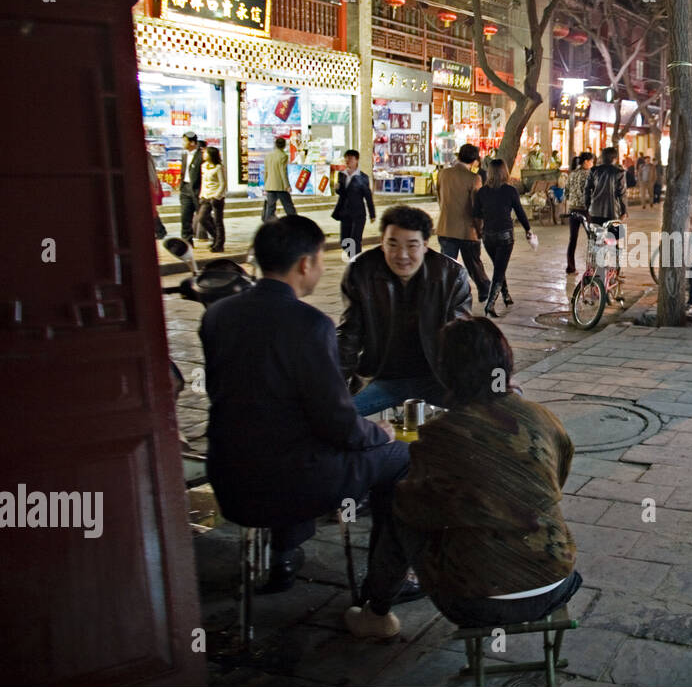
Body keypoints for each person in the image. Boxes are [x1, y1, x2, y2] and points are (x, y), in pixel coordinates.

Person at [200, 216, 412, 598]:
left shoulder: (218, 314)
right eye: (319, 259)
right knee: (400, 457)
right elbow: (337, 421)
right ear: (304, 264)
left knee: (275, 432)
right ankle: (388, 581)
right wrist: (377, 434)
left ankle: (283, 556)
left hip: (228, 478)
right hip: (295, 483)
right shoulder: (310, 324)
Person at [361, 317, 582, 636]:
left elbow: (416, 509)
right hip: (556, 581)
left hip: (474, 601)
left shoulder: (439, 435)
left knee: (399, 510)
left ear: (447, 374)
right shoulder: (542, 418)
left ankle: (377, 612)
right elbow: (556, 478)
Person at [340, 205, 473, 415]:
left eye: (412, 246)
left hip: (437, 378)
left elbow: (462, 339)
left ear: (426, 245)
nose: (402, 255)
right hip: (380, 377)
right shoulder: (361, 272)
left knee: (490, 411)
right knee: (331, 416)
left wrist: (484, 379)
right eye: (392, 244)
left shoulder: (451, 275)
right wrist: (330, 385)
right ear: (382, 243)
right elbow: (349, 336)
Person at [473, 159, 533, 317]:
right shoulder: (510, 191)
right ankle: (490, 304)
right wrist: (528, 229)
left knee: (499, 266)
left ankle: (506, 296)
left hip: (488, 236)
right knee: (499, 270)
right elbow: (520, 212)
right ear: (504, 172)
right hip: (505, 235)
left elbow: (476, 214)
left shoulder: (482, 192)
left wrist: (480, 231)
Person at [435, 143, 491, 303]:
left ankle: (446, 293)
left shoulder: (443, 174)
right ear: (474, 161)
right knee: (473, 262)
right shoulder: (474, 178)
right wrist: (480, 228)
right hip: (468, 229)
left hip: (446, 226)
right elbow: (476, 207)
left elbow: (440, 197)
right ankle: (484, 288)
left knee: (447, 264)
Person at [332, 149, 375, 260]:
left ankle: (356, 262)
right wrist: (337, 189)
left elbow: (368, 196)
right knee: (344, 240)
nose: (347, 161)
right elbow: (342, 193)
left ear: (356, 160)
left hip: (358, 213)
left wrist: (372, 214)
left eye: (350, 158)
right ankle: (354, 257)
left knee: (355, 240)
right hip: (345, 212)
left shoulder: (363, 177)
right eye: (346, 158)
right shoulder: (342, 175)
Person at [565, 151, 595, 274]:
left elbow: (566, 192)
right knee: (592, 238)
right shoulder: (589, 174)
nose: (592, 164)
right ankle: (592, 268)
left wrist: (572, 200)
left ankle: (570, 267)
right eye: (591, 161)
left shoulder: (572, 174)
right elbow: (591, 192)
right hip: (585, 210)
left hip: (573, 209)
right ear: (586, 162)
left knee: (573, 239)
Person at [194, 146, 227, 252]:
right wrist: (201, 195)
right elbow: (204, 182)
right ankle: (216, 237)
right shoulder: (203, 166)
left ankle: (219, 244)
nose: (204, 155)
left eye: (206, 153)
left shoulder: (218, 167)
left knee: (218, 221)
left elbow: (222, 183)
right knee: (202, 218)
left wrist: (217, 196)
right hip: (205, 196)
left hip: (216, 198)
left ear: (211, 155)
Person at [585, 146, 628, 227]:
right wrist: (624, 211)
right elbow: (622, 194)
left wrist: (587, 208)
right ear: (614, 158)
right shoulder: (619, 172)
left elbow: (587, 190)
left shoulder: (593, 170)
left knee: (596, 237)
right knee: (615, 237)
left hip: (595, 211)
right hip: (613, 212)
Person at [262, 136, 296, 221]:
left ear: (275, 145)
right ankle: (295, 223)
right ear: (284, 146)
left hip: (270, 185)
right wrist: (287, 185)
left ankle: (267, 226)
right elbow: (282, 172)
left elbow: (266, 171)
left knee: (270, 207)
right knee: (288, 206)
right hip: (280, 186)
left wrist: (266, 184)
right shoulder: (283, 156)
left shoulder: (268, 156)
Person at [178, 132, 203, 245]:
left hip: (198, 190)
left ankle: (217, 237)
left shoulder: (201, 155)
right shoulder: (184, 155)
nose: (183, 143)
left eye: (185, 141)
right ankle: (187, 242)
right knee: (185, 217)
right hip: (185, 189)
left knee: (203, 217)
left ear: (192, 142)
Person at [145, 149, 166, 239]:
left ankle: (160, 230)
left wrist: (154, 184)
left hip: (149, 184)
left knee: (151, 210)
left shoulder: (146, 155)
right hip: (150, 184)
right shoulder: (147, 155)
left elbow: (151, 172)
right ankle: (160, 230)